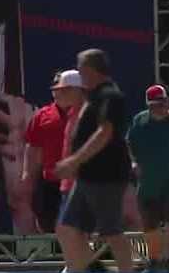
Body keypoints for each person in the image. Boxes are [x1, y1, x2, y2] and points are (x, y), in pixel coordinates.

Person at [56, 49, 134, 273]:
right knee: (68, 228)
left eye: (81, 68)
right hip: (87, 176)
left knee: (111, 232)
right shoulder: (94, 96)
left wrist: (74, 160)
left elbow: (105, 132)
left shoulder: (110, 95)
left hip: (106, 175)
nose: (79, 73)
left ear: (91, 69)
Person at [127, 85, 169, 272]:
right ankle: (156, 259)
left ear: (168, 101)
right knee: (150, 223)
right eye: (155, 105)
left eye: (163, 103)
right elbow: (129, 144)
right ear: (148, 105)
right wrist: (133, 162)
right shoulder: (139, 121)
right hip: (147, 182)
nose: (160, 107)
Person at [23, 70, 86, 233]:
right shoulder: (42, 116)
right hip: (51, 182)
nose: (57, 93)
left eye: (62, 90)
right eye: (56, 89)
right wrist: (28, 175)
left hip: (82, 182)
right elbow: (33, 149)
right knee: (49, 226)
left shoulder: (90, 113)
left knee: (80, 229)